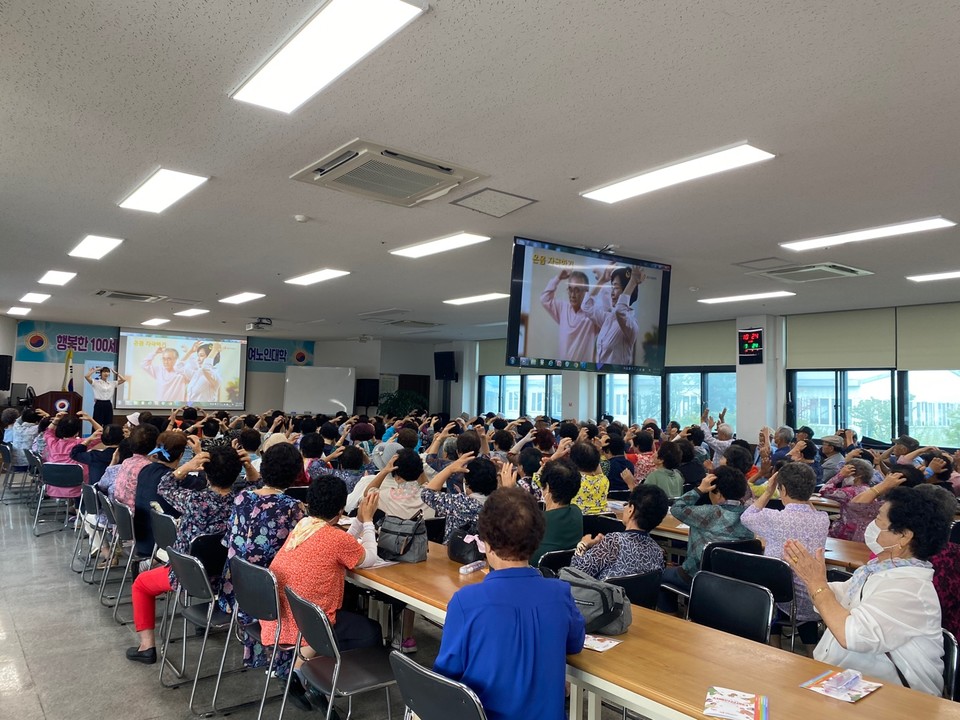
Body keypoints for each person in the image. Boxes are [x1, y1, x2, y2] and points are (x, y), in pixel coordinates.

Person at [434, 487, 585, 720]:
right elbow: (575, 644)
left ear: (486, 544)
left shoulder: (466, 601)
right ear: (536, 540)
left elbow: (445, 676)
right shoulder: (560, 592)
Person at [786, 485, 951, 695]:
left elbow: (851, 635)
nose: (872, 524)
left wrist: (818, 585)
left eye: (879, 519)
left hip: (897, 698)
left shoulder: (910, 589)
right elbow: (840, 599)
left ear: (903, 537)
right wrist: (811, 578)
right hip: (850, 681)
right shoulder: (877, 570)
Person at [264, 478, 382, 711]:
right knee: (371, 632)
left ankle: (300, 673)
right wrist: (368, 521)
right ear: (340, 509)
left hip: (282, 614)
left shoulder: (305, 525)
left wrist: (357, 521)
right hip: (309, 625)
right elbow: (369, 558)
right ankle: (320, 680)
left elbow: (345, 543)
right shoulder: (334, 538)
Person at [125, 445, 240, 663]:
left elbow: (164, 486)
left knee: (140, 584)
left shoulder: (194, 500)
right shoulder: (244, 501)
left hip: (189, 577)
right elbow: (261, 486)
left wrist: (185, 467)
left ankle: (146, 646)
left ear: (206, 471)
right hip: (230, 578)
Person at [217, 442, 306, 667]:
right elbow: (304, 552)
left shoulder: (242, 498)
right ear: (296, 474)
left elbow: (229, 540)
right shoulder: (292, 508)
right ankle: (300, 664)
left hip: (238, 589)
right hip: (272, 596)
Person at [741, 463, 829, 652]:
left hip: (782, 598)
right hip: (815, 596)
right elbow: (810, 510)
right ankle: (812, 654)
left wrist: (768, 490)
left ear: (783, 489)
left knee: (771, 585)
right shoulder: (823, 519)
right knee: (795, 587)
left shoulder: (775, 518)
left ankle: (775, 650)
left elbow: (746, 517)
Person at [658, 466, 753, 609]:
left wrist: (699, 489)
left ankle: (671, 617)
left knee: (659, 576)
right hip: (734, 581)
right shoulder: (750, 517)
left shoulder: (708, 513)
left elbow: (677, 508)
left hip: (697, 577)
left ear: (719, 494)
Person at [572, 484, 668, 580]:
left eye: (627, 504)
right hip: (638, 595)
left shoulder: (612, 542)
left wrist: (583, 544)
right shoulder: (658, 553)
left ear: (631, 510)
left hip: (606, 594)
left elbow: (574, 573)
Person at [421, 453, 497, 543]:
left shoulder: (460, 502)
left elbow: (427, 493)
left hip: (454, 554)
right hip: (488, 554)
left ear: (465, 480)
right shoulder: (500, 504)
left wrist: (450, 469)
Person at [583, 264, 644, 366]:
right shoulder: (608, 318)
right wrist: (602, 280)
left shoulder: (631, 324)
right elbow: (586, 306)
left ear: (626, 290)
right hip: (600, 375)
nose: (612, 293)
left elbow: (620, 311)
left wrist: (633, 282)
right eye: (612, 287)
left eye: (615, 287)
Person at [540, 267, 600, 364]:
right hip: (563, 369)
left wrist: (603, 281)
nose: (572, 295)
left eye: (577, 290)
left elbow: (609, 315)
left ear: (586, 291)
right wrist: (558, 278)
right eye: (570, 289)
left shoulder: (592, 314)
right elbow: (544, 299)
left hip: (584, 372)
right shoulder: (563, 308)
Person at [530, 458, 582, 566]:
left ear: (548, 487)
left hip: (531, 571)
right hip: (565, 575)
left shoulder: (536, 522)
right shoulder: (576, 512)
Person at [567, 441, 609, 515]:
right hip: (602, 524)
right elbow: (597, 467)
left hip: (577, 523)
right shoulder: (604, 480)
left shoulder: (571, 481)